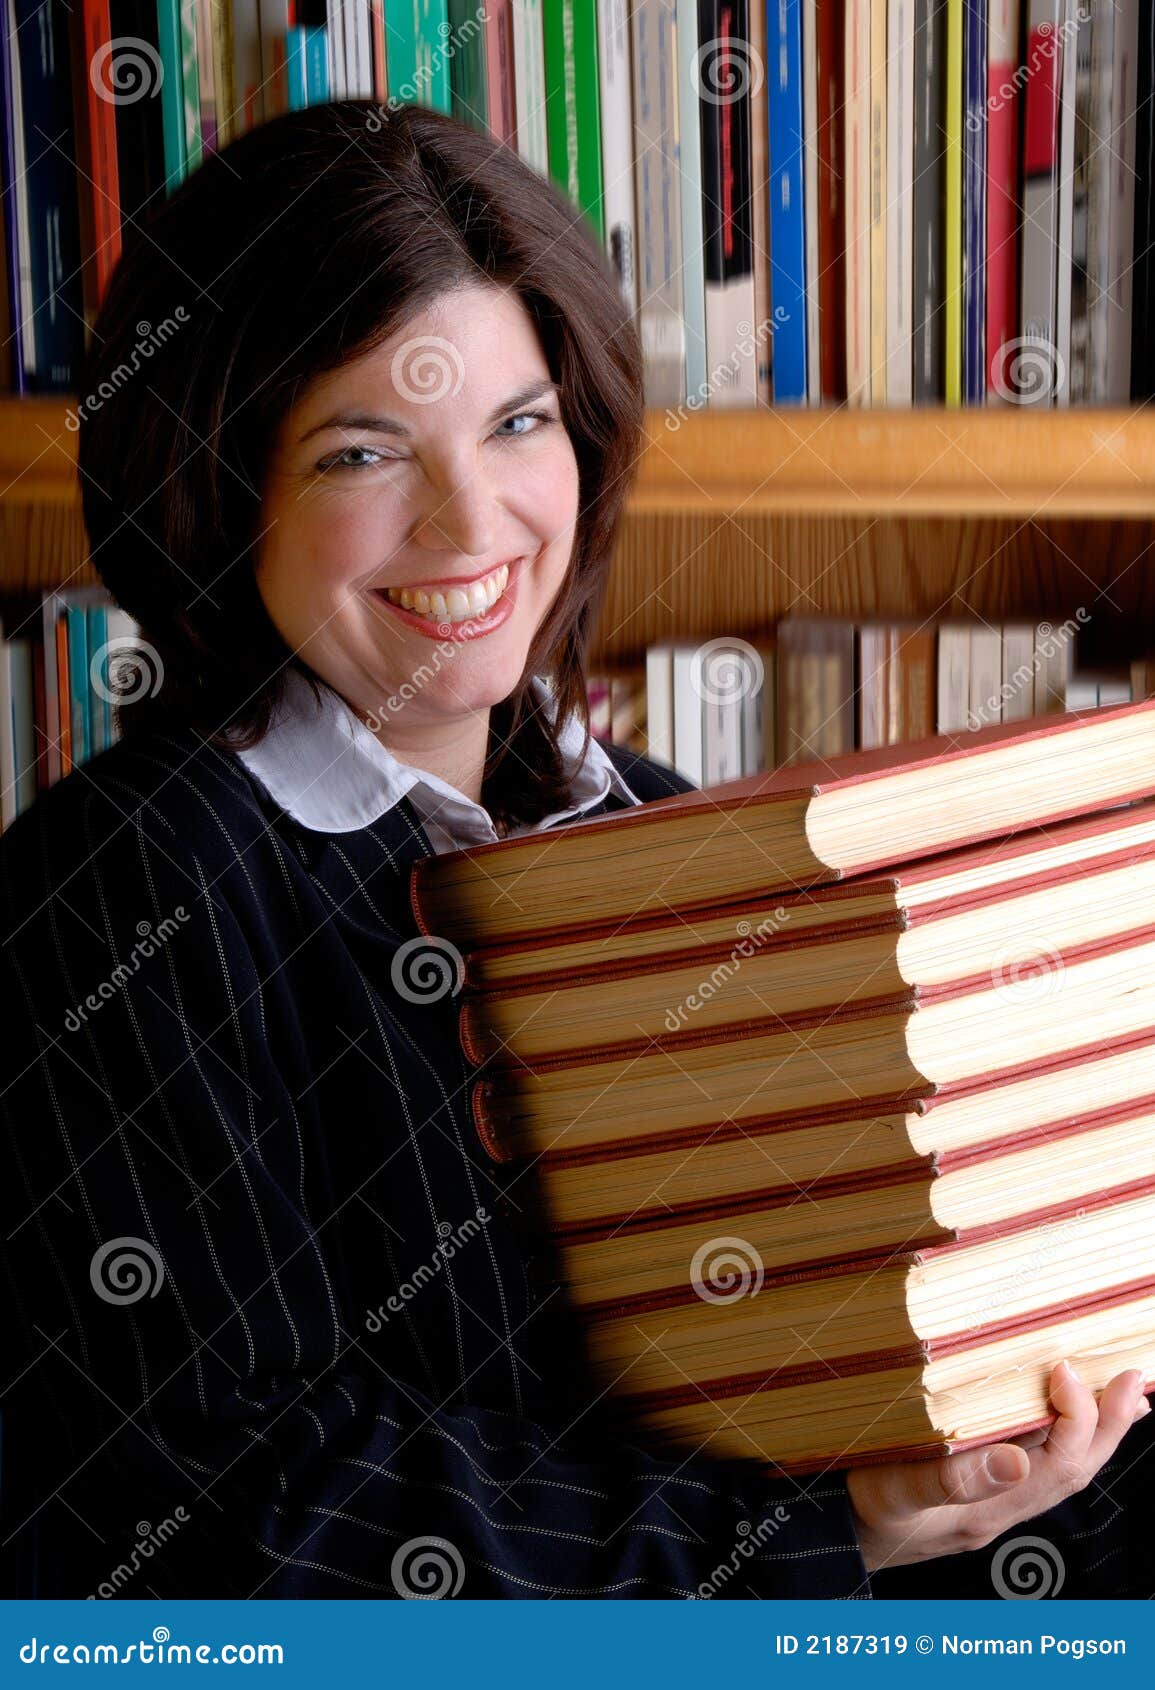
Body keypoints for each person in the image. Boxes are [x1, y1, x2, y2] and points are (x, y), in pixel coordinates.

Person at [0, 101, 1150, 1602]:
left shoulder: (663, 827)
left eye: (518, 422)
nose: (473, 524)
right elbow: (239, 1523)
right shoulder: (120, 898)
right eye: (363, 450)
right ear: (221, 486)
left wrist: (1012, 1452)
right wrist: (815, 1535)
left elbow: (817, 1366)